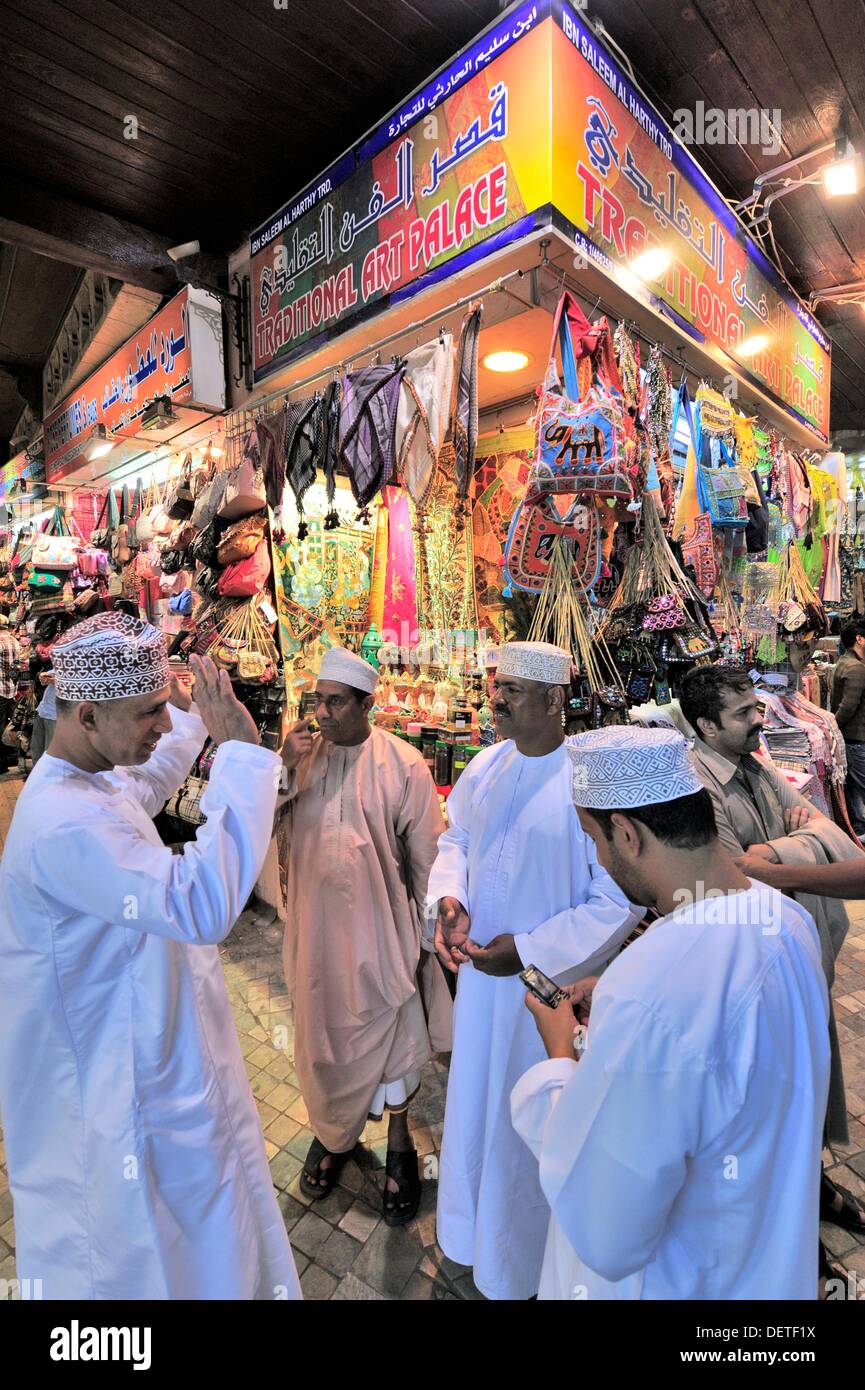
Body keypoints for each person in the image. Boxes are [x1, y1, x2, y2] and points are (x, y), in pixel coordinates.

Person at [0, 612, 301, 1300]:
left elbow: (151, 775)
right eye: (147, 712)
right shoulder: (63, 823)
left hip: (147, 1062)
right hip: (113, 1096)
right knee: (142, 1261)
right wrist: (242, 753)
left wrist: (194, 719)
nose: (162, 726)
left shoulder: (88, 779)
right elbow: (198, 905)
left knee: (196, 1239)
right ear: (86, 715)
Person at [511, 726, 830, 1299]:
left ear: (626, 834)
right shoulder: (787, 920)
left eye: (594, 838)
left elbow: (606, 1228)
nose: (599, 857)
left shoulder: (647, 987)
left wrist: (560, 1052)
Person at [427, 641, 640, 1299]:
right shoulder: (487, 765)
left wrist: (526, 951)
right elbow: (455, 838)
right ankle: (469, 1237)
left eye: (511, 691)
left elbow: (617, 900)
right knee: (476, 1111)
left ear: (553, 700)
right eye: (496, 687)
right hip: (480, 988)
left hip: (545, 997)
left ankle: (518, 1268)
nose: (495, 700)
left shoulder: (587, 784)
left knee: (531, 1125)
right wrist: (449, 898)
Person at [681, 663, 865, 1259]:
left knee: (804, 1081)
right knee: (762, 1100)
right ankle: (783, 1224)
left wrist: (775, 853)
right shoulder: (698, 786)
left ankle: (809, 1187)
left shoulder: (755, 765)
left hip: (793, 958)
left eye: (757, 707)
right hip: (743, 973)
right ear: (707, 725)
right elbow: (730, 876)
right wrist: (801, 846)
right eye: (744, 713)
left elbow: (829, 833)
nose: (760, 720)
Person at [277, 646, 450, 1224]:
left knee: (393, 1037)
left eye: (335, 702)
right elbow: (257, 816)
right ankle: (333, 1134)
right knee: (318, 1035)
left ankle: (400, 1144)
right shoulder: (301, 756)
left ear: (366, 704)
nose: (321, 713)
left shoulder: (404, 764)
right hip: (313, 934)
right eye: (317, 701)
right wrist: (281, 765)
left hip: (380, 934)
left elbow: (427, 856)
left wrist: (427, 938)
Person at [830, 620, 865, 837]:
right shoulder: (856, 668)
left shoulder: (846, 662)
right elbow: (848, 706)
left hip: (852, 738)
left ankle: (859, 829)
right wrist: (834, 728)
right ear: (859, 639)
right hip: (856, 738)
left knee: (855, 787)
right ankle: (859, 830)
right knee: (860, 786)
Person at [0, 614, 22, 770]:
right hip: (11, 689)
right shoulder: (14, 640)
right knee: (11, 724)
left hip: (0, 689)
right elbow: (15, 668)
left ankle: (1, 763)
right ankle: (11, 757)